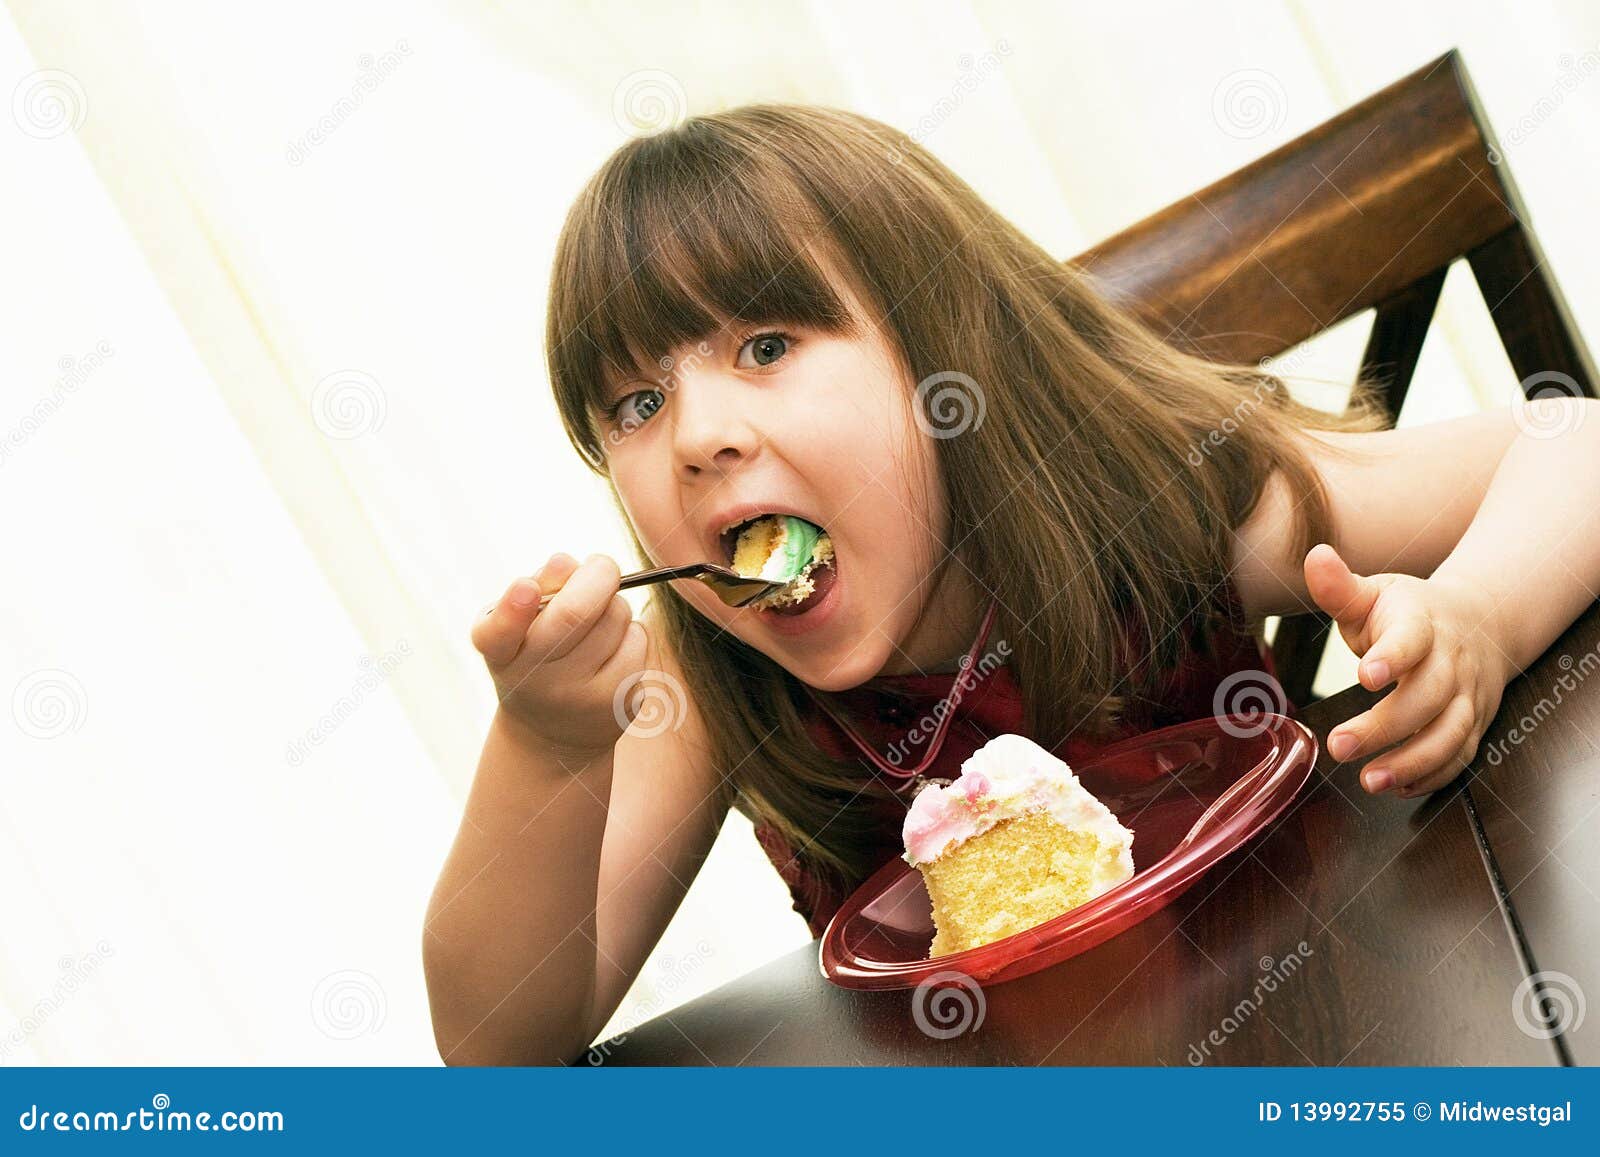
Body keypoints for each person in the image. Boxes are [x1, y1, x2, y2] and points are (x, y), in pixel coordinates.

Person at [424, 104, 1597, 1064]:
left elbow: (1572, 445)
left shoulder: (1142, 504)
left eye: (767, 346)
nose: (697, 436)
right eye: (636, 405)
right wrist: (547, 745)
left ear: (945, 351)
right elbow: (497, 1049)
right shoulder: (711, 680)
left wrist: (1480, 617)